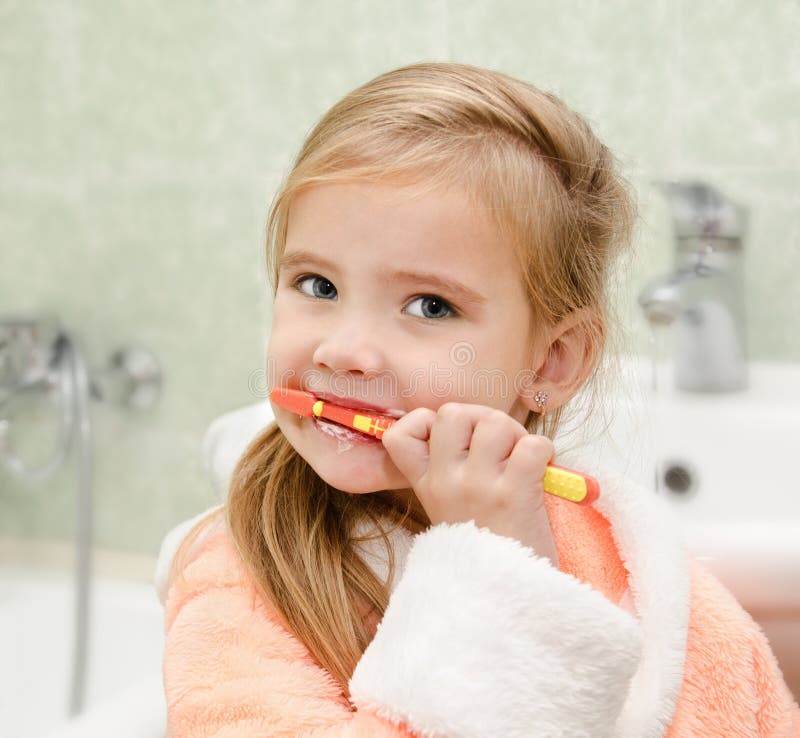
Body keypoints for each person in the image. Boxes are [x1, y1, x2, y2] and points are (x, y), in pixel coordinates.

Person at [156, 62, 800, 737]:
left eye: (429, 305)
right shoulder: (240, 581)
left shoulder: (636, 569)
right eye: (317, 285)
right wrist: (496, 576)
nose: (343, 351)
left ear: (550, 361)